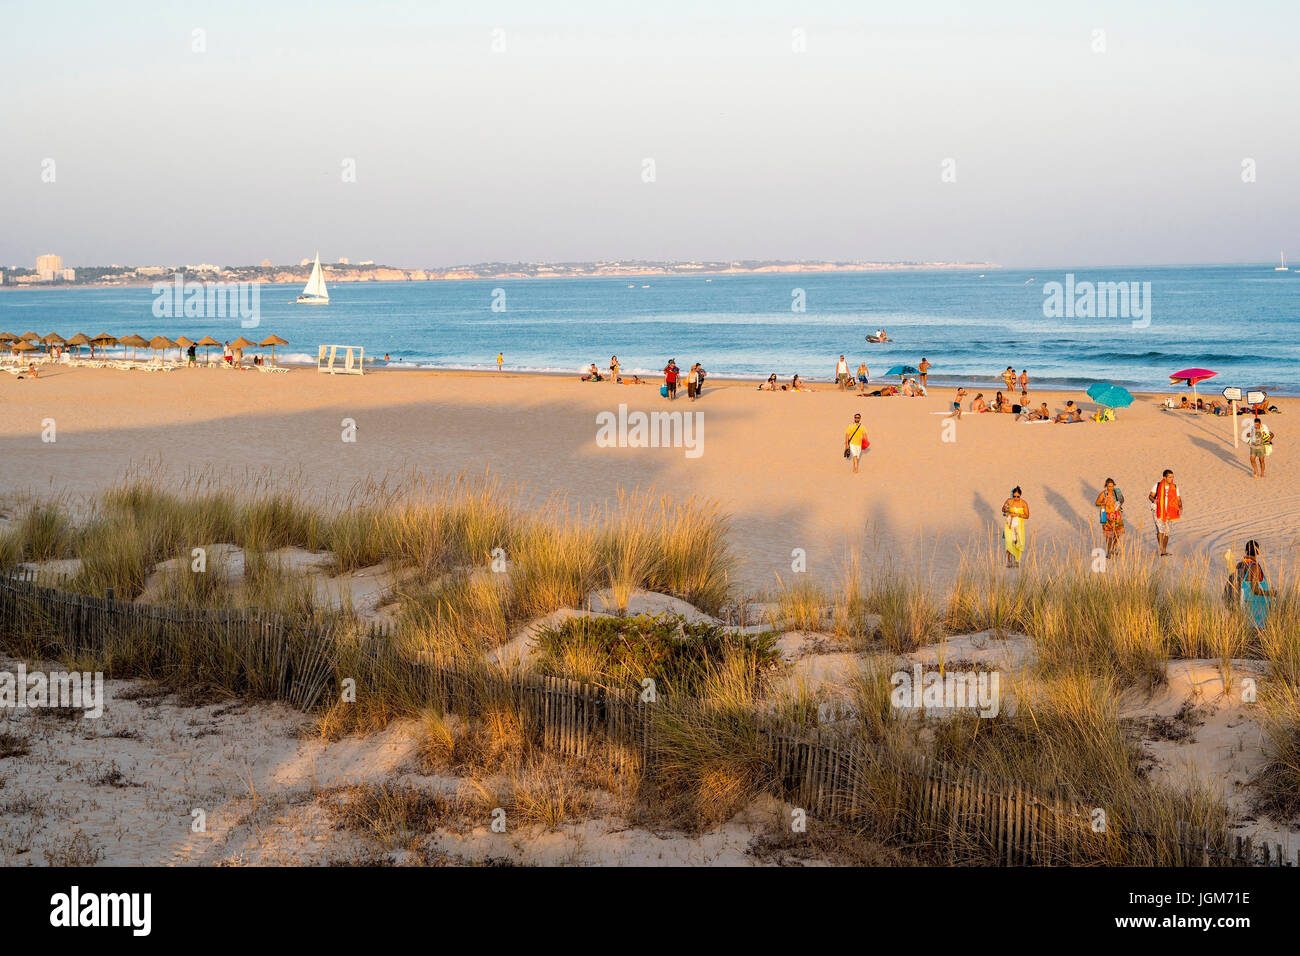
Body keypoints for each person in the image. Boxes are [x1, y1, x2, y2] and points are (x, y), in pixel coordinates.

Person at [1232, 540, 1273, 629]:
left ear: (1245, 551)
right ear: (1258, 552)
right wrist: (1270, 593)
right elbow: (1255, 590)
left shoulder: (1240, 565)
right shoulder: (1254, 566)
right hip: (1253, 606)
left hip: (1241, 602)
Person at [1148, 469, 1182, 557]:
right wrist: (1154, 500)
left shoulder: (1175, 487)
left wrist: (1180, 507)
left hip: (1170, 512)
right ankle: (1161, 550)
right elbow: (1150, 496)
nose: (1172, 479)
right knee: (1160, 529)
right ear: (1164, 477)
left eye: (1172, 477)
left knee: (1167, 532)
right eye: (1170, 477)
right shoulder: (1158, 485)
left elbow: (1178, 498)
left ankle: (1164, 549)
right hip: (1158, 510)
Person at [1095, 478, 1126, 559]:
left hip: (1116, 514)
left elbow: (1122, 500)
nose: (1111, 488)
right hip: (1106, 515)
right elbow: (1097, 503)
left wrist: (1119, 504)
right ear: (1106, 486)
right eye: (1109, 486)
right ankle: (1109, 552)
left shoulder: (1117, 492)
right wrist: (1104, 503)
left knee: (1117, 534)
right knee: (1109, 535)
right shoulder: (1103, 494)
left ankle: (1114, 548)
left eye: (1112, 486)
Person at [1001, 487, 1029, 569]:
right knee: (1009, 542)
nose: (1016, 498)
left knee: (1018, 542)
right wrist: (1005, 509)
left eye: (1018, 496)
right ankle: (1009, 562)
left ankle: (1017, 561)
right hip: (1009, 524)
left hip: (1019, 526)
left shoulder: (1024, 503)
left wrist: (1017, 515)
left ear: (1020, 495)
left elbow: (1027, 516)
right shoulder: (1009, 501)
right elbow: (1003, 509)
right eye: (1014, 496)